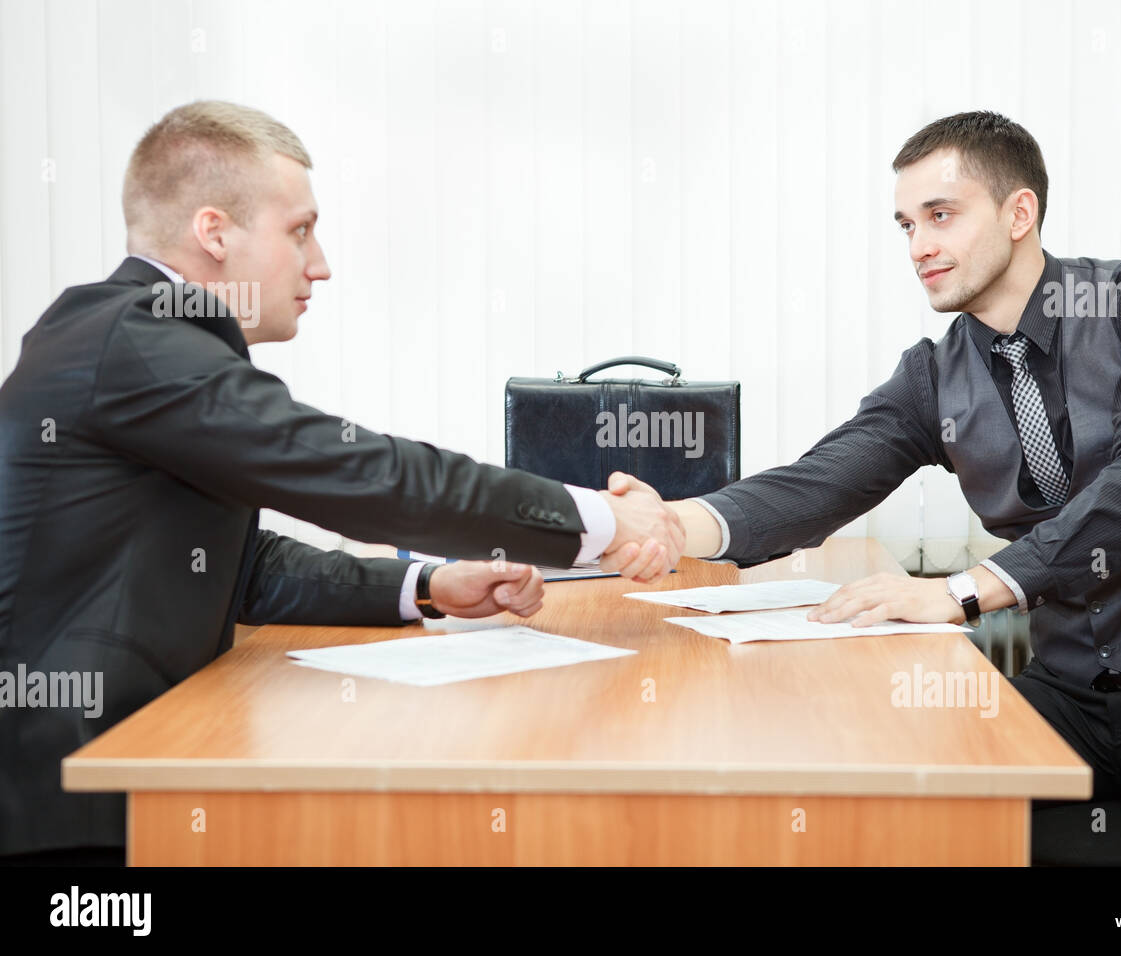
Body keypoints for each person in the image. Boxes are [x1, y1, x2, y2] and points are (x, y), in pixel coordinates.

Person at [609, 110, 1121, 865]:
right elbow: (817, 484)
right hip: (1064, 695)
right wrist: (677, 523)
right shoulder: (935, 377)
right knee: (892, 829)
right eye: (906, 224)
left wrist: (965, 590)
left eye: (941, 215)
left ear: (1019, 212)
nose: (919, 246)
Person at [0, 101, 682, 863]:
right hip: (65, 810)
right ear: (215, 231)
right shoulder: (135, 343)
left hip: (131, 765)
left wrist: (426, 585)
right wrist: (600, 520)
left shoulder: (140, 340)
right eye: (299, 231)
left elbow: (237, 566)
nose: (318, 263)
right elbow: (363, 473)